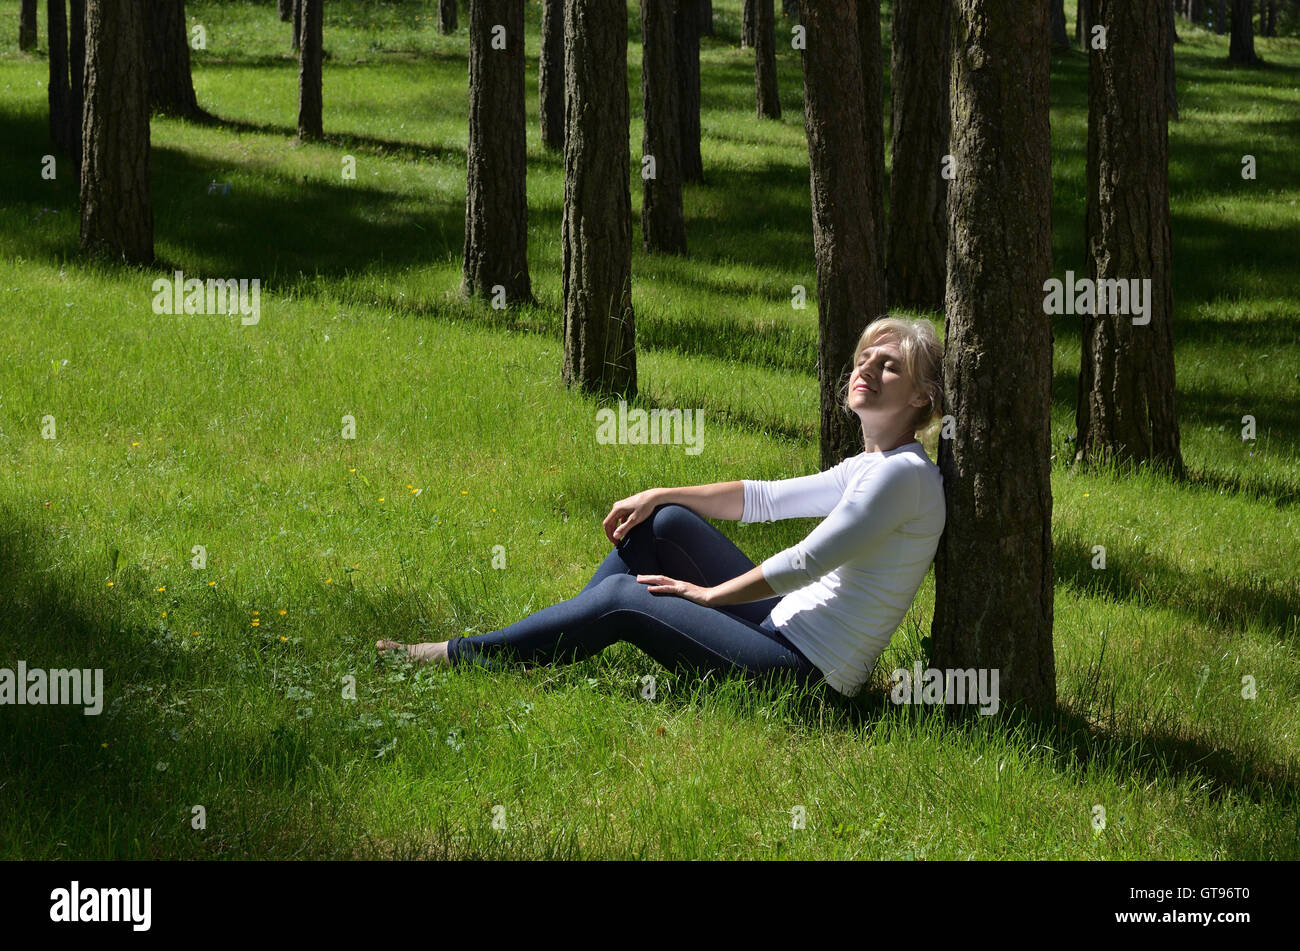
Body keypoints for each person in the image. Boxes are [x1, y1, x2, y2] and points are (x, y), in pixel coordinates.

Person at [377, 316, 947, 699]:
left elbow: (806, 561)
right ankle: (539, 648)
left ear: (922, 397)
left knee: (628, 600)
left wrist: (706, 596)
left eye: (888, 365)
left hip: (803, 677)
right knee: (666, 524)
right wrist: (663, 494)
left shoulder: (902, 477)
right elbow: (764, 499)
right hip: (781, 629)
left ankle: (458, 655)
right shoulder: (877, 465)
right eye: (863, 358)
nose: (865, 369)